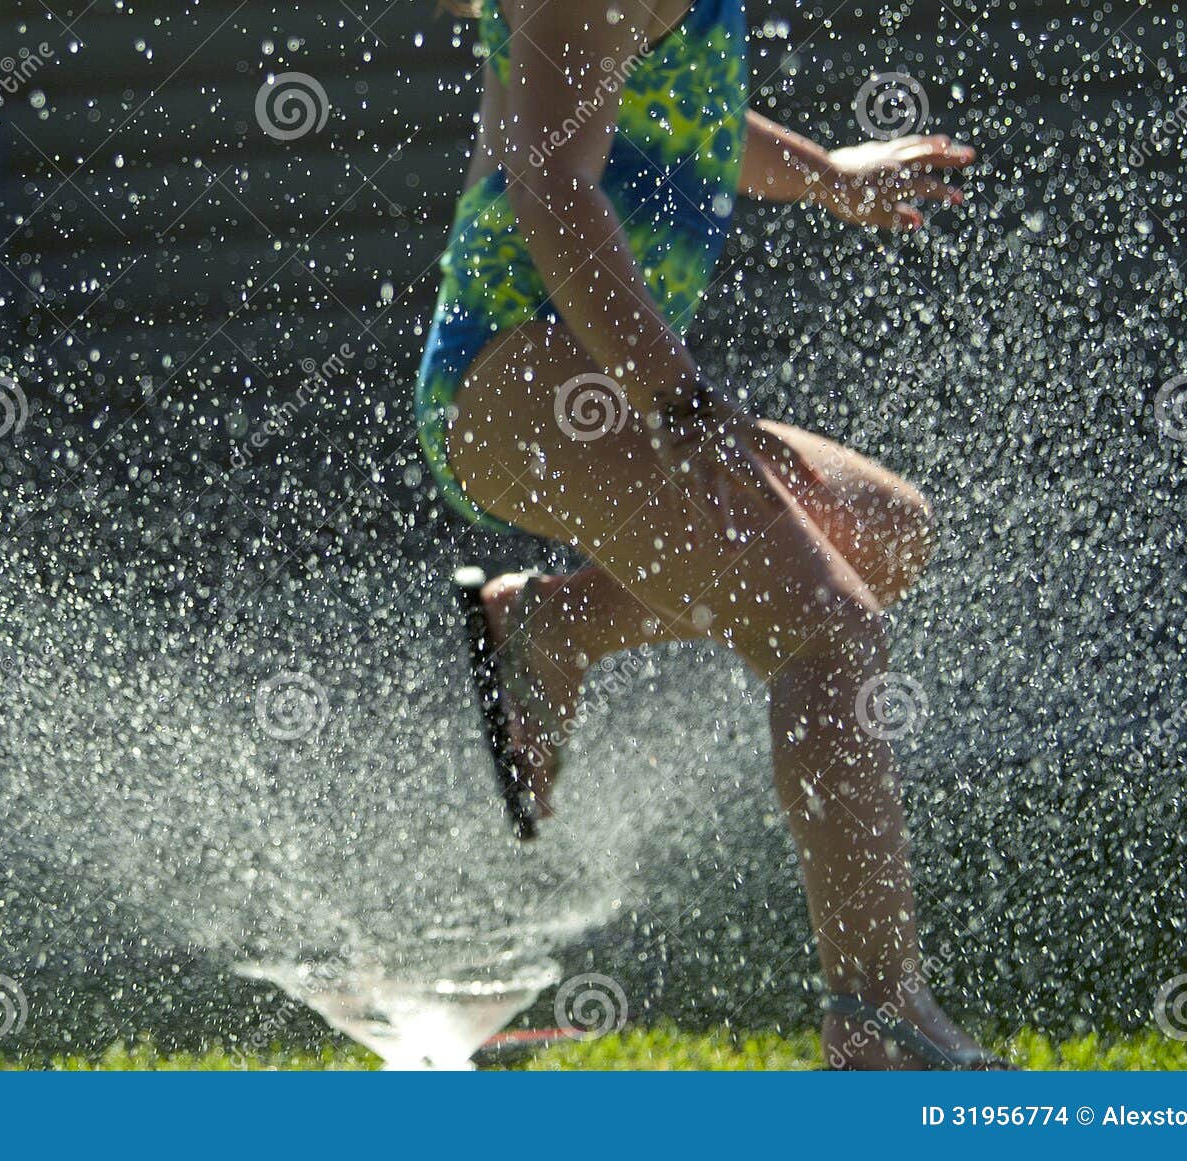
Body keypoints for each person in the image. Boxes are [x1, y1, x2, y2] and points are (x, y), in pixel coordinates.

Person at [418, 0, 1010, 1069]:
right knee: (828, 635)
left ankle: (548, 628)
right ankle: (876, 1027)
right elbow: (553, 186)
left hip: (599, 380)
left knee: (881, 530)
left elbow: (691, 117)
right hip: (517, 377)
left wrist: (827, 173)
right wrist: (678, 406)